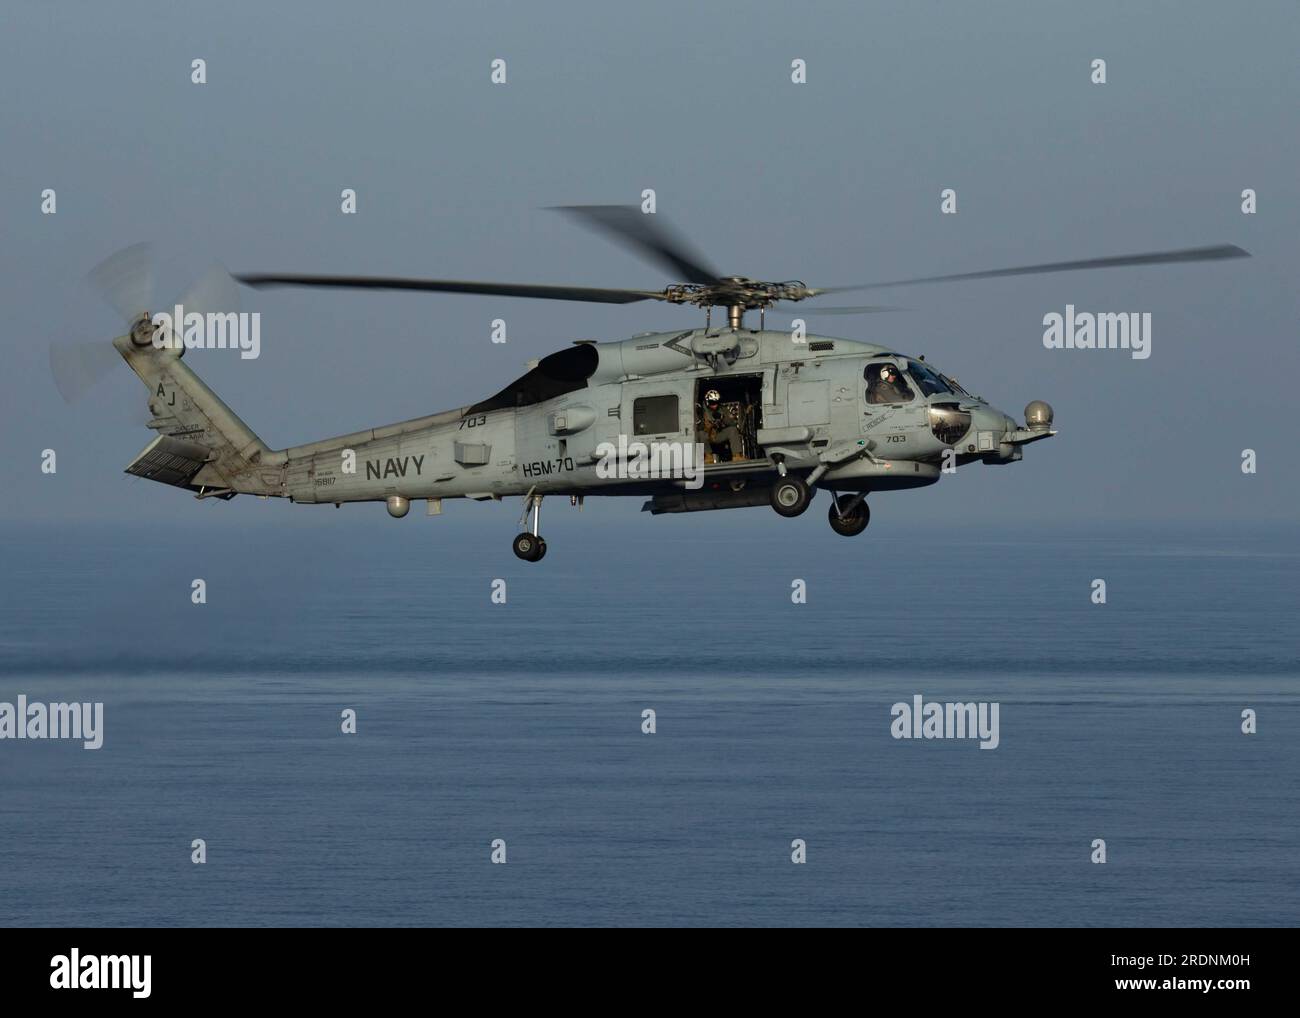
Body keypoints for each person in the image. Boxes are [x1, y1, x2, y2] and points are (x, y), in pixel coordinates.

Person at [700, 388, 744, 461]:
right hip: (707, 435)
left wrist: (722, 418)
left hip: (717, 435)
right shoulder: (701, 410)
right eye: (712, 403)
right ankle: (708, 457)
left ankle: (736, 456)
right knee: (701, 434)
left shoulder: (722, 409)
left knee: (732, 430)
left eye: (716, 402)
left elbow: (732, 423)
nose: (715, 405)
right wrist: (709, 425)